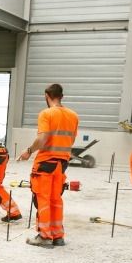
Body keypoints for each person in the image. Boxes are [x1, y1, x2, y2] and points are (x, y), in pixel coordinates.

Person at [18, 83, 79, 248]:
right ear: (62, 96)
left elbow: (42, 139)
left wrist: (29, 150)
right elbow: (72, 140)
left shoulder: (46, 114)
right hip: (62, 163)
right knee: (56, 199)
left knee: (42, 199)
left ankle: (45, 236)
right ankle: (57, 236)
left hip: (45, 162)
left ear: (47, 96)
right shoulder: (73, 115)